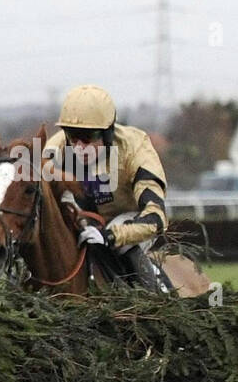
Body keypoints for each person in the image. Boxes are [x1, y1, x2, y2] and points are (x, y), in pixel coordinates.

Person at [43, 84, 171, 291]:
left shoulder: (136, 148)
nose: (78, 147)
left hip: (127, 218)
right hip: (80, 219)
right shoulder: (53, 150)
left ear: (108, 133)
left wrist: (111, 236)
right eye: (72, 136)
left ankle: (158, 299)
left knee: (124, 245)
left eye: (88, 137)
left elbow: (156, 219)